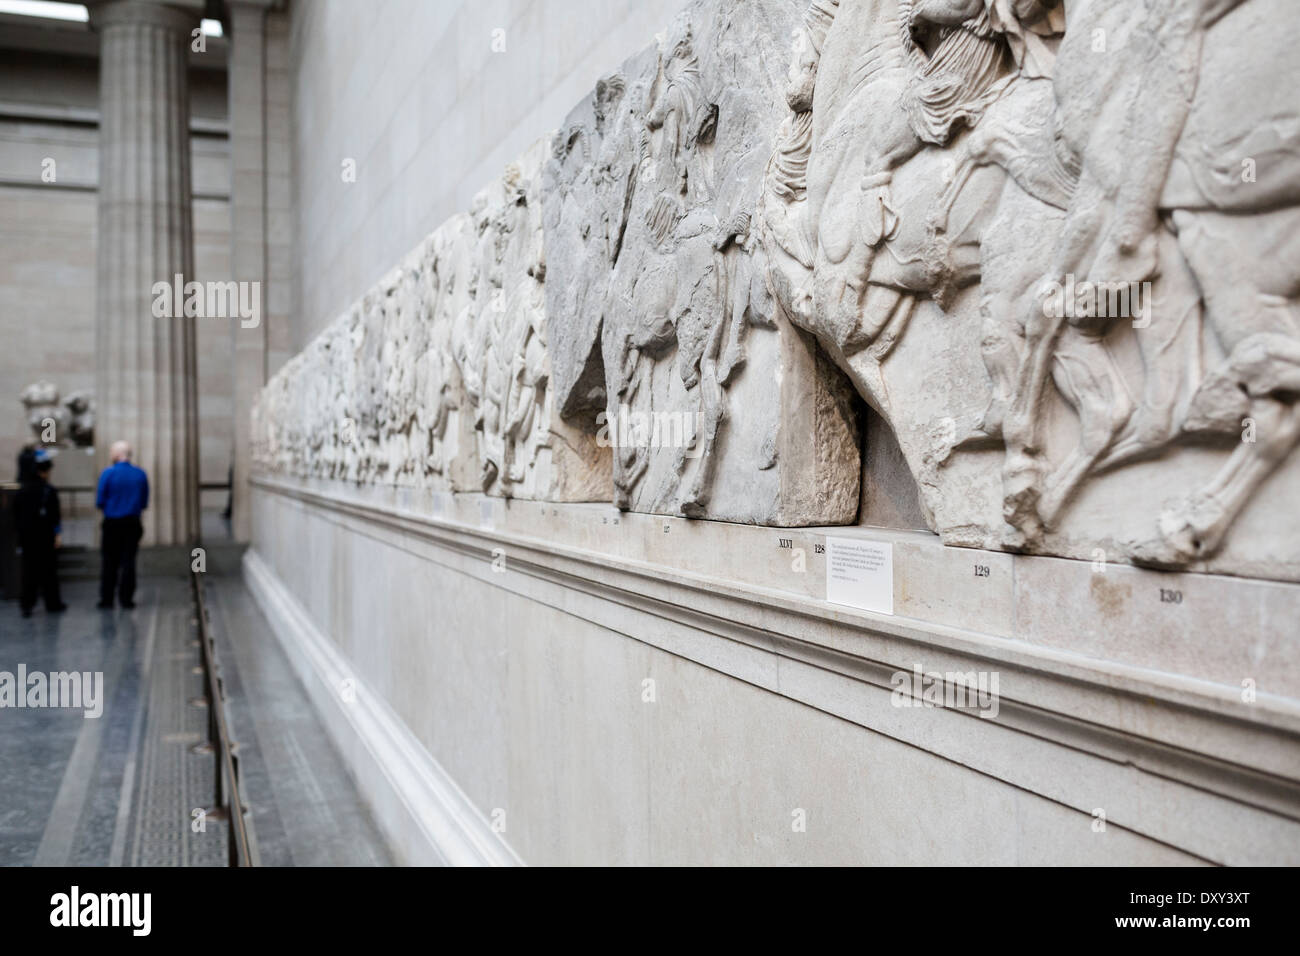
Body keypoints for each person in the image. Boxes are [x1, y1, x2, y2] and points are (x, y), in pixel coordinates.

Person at [13, 448, 66, 618]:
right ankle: (52, 602)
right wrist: (57, 534)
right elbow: (55, 516)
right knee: (49, 571)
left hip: (27, 536)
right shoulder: (49, 491)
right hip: (45, 535)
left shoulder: (21, 491)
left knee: (28, 571)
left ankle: (27, 604)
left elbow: (15, 516)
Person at [96, 440, 148, 610]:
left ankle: (107, 598)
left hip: (112, 523)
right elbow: (144, 501)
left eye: (112, 452)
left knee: (109, 562)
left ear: (118, 454)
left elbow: (100, 500)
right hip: (132, 522)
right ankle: (126, 599)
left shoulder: (108, 474)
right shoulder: (140, 474)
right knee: (129, 561)